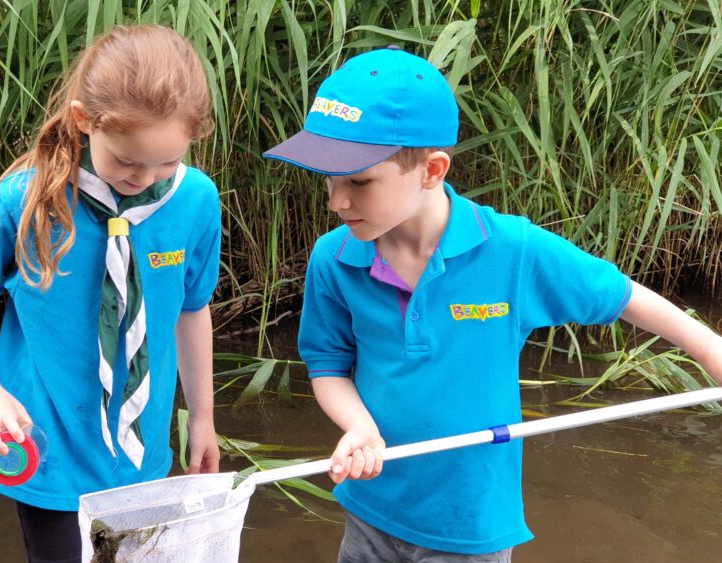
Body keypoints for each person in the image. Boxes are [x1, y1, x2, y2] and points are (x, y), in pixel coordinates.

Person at [264, 47, 722, 562]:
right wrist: (358, 426)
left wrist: (709, 348)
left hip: (469, 526)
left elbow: (621, 297)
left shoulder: (512, 251)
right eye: (328, 178)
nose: (336, 202)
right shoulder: (335, 257)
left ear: (432, 170)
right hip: (370, 511)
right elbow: (327, 366)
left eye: (358, 181)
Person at [0, 25, 222, 562]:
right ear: (84, 120)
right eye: (126, 161)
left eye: (166, 161)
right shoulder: (25, 197)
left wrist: (203, 418)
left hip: (143, 459)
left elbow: (192, 310)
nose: (145, 177)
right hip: (48, 452)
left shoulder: (195, 201)